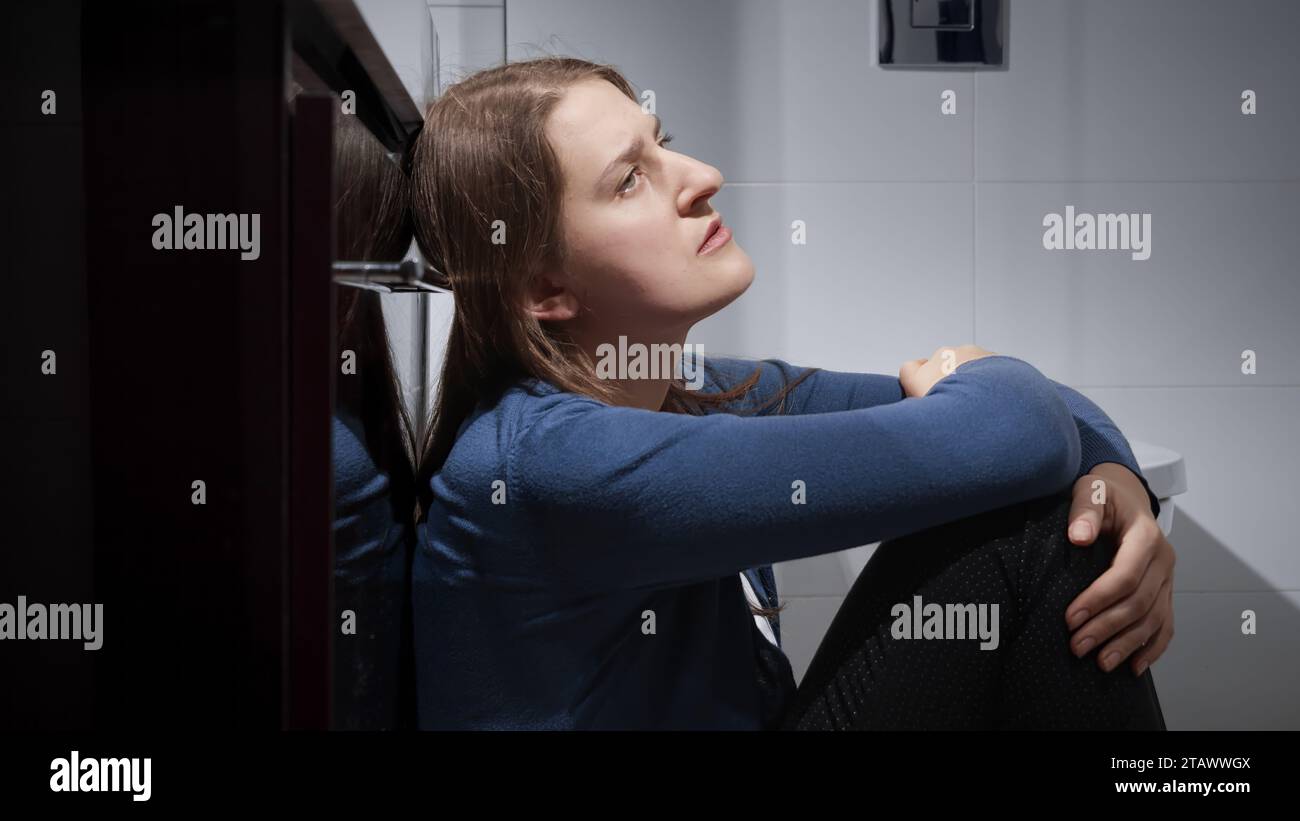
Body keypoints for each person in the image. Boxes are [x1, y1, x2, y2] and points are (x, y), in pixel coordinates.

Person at [406, 56, 1175, 730]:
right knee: (1030, 530)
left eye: (662, 142)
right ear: (546, 286)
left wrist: (1114, 482)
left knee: (1047, 512)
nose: (702, 177)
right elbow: (1019, 428)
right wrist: (997, 390)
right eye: (631, 178)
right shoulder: (550, 462)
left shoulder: (702, 390)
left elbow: (1045, 415)